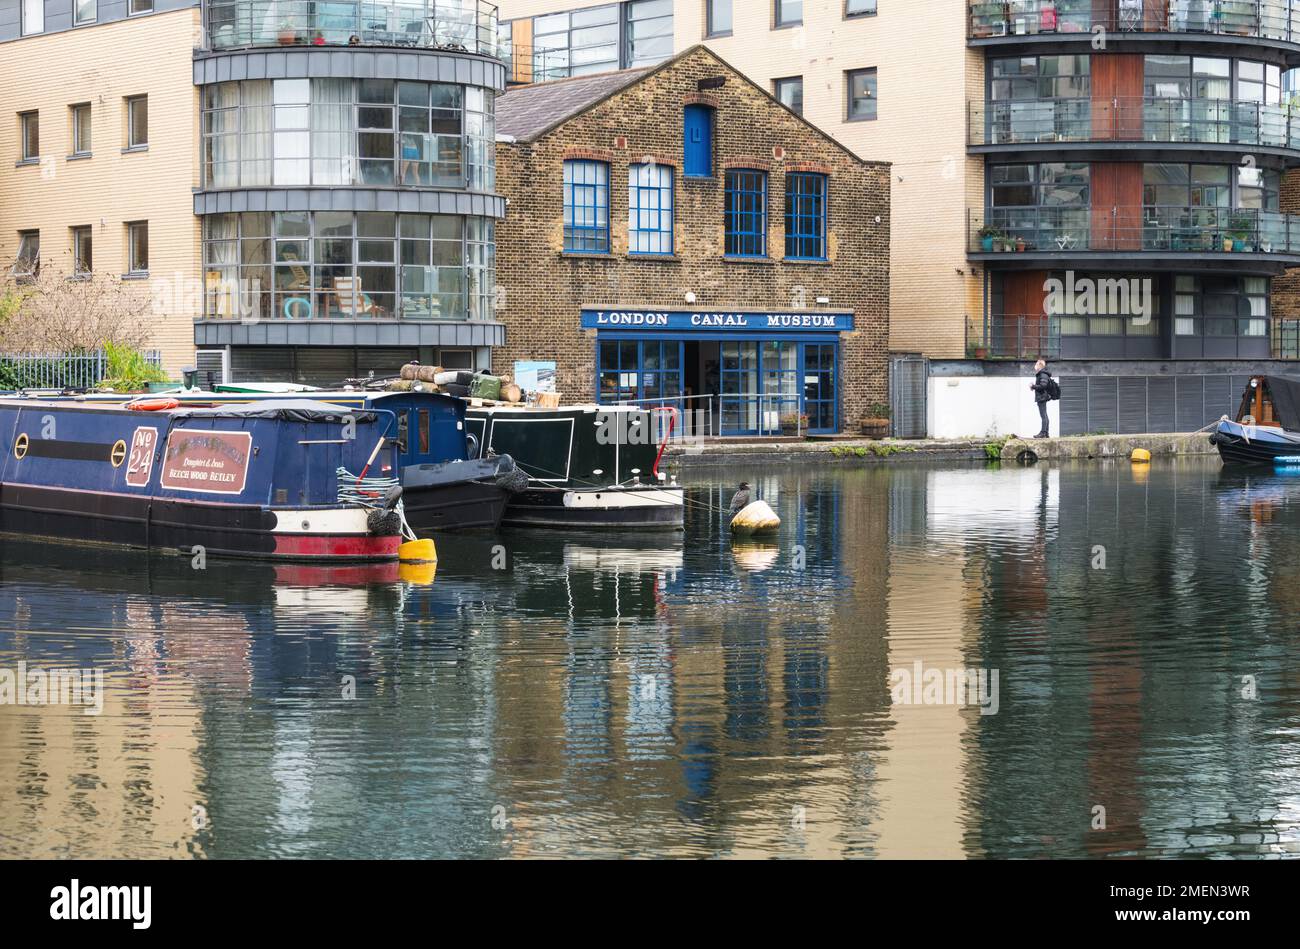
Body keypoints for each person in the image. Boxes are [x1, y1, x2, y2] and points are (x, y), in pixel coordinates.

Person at [1030, 358, 1052, 438]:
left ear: (1040, 365)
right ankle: (1046, 433)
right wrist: (1034, 387)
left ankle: (1043, 433)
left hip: (1042, 397)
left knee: (1043, 415)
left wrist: (1033, 386)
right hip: (1042, 396)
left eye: (1036, 364)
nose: (1035, 365)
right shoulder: (1042, 374)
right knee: (1044, 415)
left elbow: (1043, 386)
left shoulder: (1042, 374)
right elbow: (1042, 385)